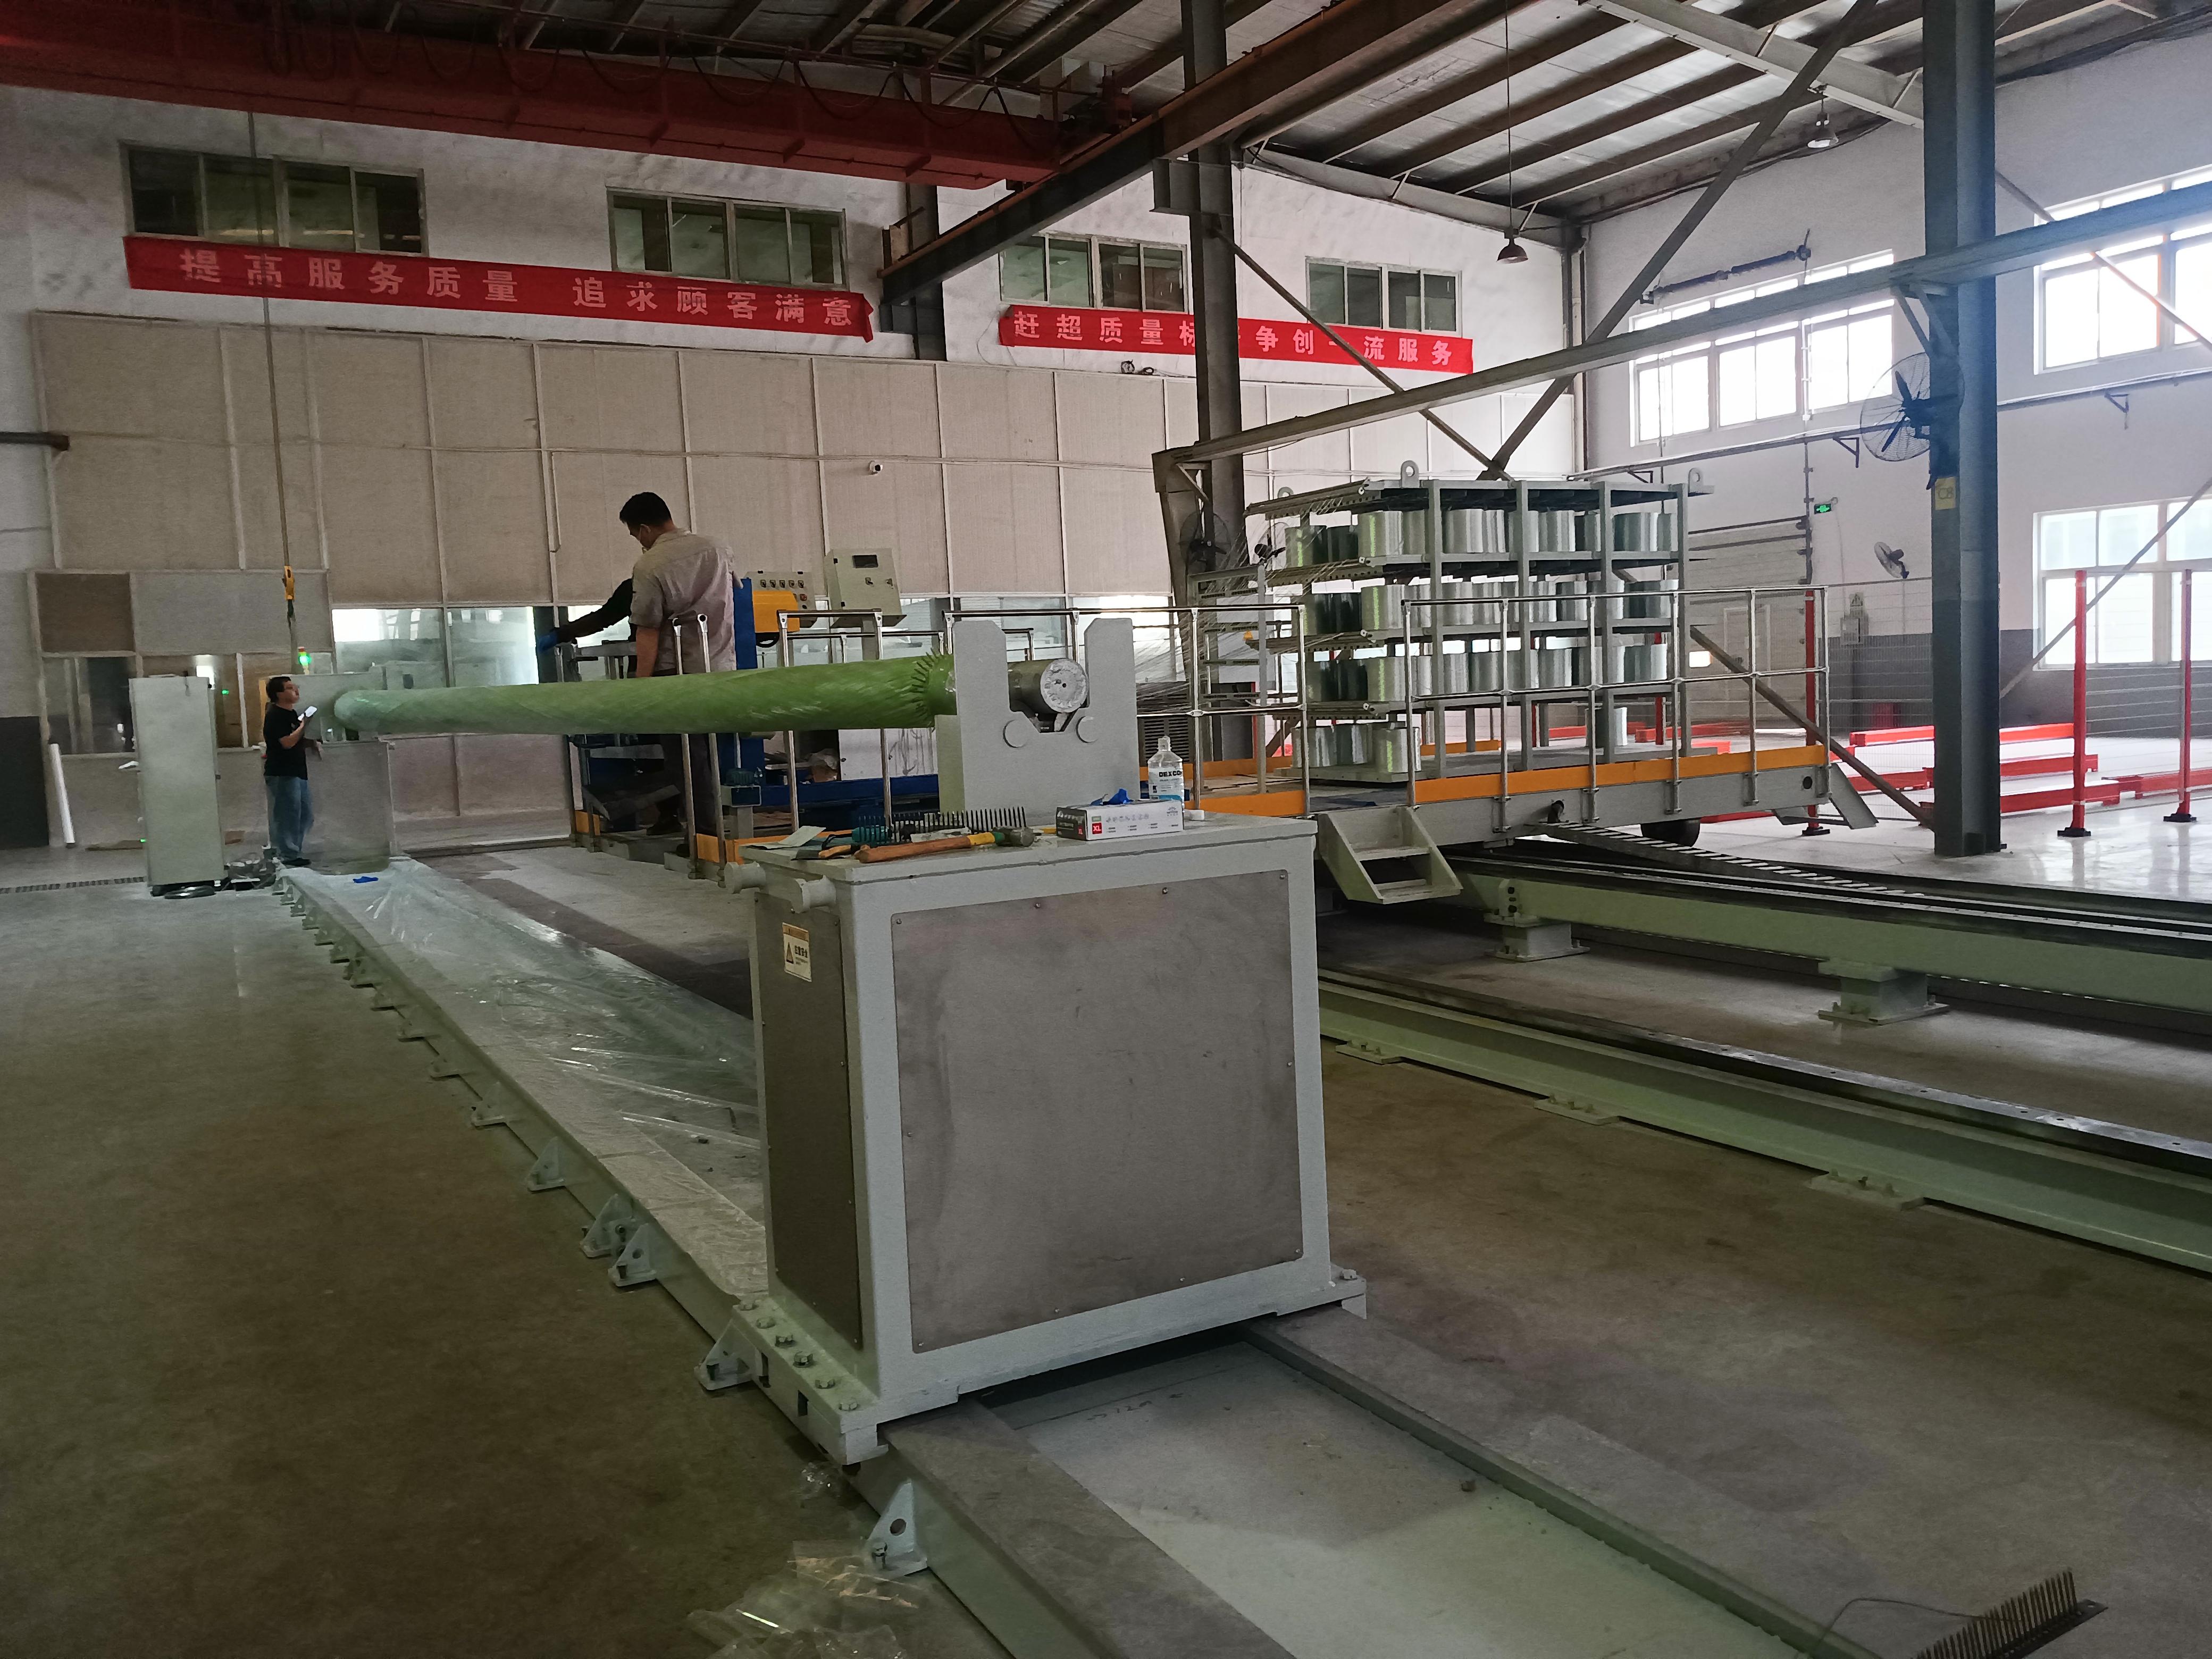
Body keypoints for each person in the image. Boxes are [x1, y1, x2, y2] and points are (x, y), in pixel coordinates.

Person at [618, 491, 737, 834]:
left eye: (635, 535)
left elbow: (648, 630)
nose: (639, 542)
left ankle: (705, 834)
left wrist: (641, 686)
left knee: (686, 757)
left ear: (644, 529)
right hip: (720, 666)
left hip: (677, 672)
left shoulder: (650, 565)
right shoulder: (718, 548)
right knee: (708, 750)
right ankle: (710, 827)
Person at [262, 674, 318, 866]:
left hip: (297, 771)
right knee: (288, 815)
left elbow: (295, 739)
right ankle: (288, 854)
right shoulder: (275, 715)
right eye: (289, 688)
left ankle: (293, 851)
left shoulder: (291, 714)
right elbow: (286, 742)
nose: (296, 691)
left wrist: (311, 742)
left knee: (305, 815)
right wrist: (304, 725)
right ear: (278, 694)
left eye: (295, 687)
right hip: (283, 772)